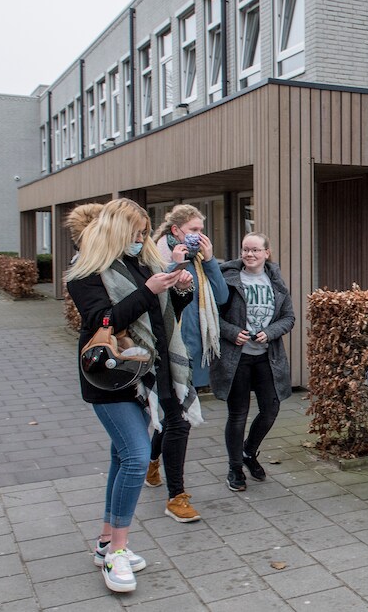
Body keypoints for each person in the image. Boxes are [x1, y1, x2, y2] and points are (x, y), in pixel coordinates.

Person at [65, 198, 196, 593]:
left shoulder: (142, 264)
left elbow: (158, 316)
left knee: (123, 456)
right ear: (118, 232)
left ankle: (106, 543)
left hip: (146, 373)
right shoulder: (84, 274)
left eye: (143, 233)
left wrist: (180, 290)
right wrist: (149, 289)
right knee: (138, 457)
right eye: (137, 234)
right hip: (110, 377)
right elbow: (100, 321)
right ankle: (118, 552)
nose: (142, 240)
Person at [142, 205, 227, 523]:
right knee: (181, 419)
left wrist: (210, 260)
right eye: (193, 229)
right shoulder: (156, 255)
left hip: (193, 349)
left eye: (201, 229)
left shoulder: (202, 262)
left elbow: (220, 298)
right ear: (176, 230)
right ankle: (175, 496)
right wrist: (173, 265)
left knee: (174, 417)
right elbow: (152, 298)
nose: (198, 235)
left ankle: (152, 460)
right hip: (166, 350)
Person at [211, 233, 294, 491]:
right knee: (238, 414)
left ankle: (249, 451)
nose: (249, 254)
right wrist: (231, 332)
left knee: (271, 409)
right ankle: (235, 468)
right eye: (245, 250)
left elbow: (288, 318)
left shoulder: (276, 283)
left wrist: (269, 332)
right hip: (237, 359)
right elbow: (212, 315)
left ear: (266, 253)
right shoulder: (227, 279)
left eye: (255, 250)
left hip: (267, 357)